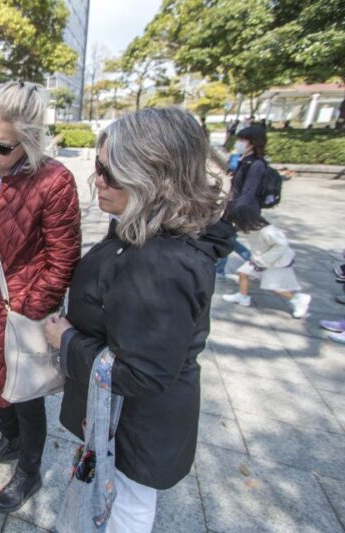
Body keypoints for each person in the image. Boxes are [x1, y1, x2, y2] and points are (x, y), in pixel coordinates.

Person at [44, 107, 233, 532]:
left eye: (111, 172)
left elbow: (143, 375)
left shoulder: (163, 263)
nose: (97, 181)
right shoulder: (143, 227)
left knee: (124, 510)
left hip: (137, 426)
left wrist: (67, 340)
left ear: (154, 179)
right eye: (97, 166)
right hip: (119, 418)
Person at [0, 80, 81, 513]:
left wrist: (30, 305)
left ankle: (29, 467)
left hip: (19, 307)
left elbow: (63, 257)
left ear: (29, 141)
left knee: (25, 392)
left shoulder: (54, 181)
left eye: (2, 146)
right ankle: (8, 440)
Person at [221, 205, 312, 318]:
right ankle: (243, 297)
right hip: (260, 259)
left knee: (274, 287)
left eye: (236, 222)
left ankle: (298, 299)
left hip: (276, 262)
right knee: (242, 272)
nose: (236, 225)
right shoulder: (253, 228)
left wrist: (263, 260)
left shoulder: (268, 232)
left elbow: (281, 245)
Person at [216, 125, 267, 280]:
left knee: (227, 239)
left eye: (242, 140)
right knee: (227, 239)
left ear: (252, 142)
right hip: (233, 207)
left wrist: (233, 213)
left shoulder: (257, 164)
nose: (239, 143)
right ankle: (254, 263)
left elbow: (248, 192)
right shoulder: (243, 160)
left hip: (240, 210)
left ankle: (256, 263)